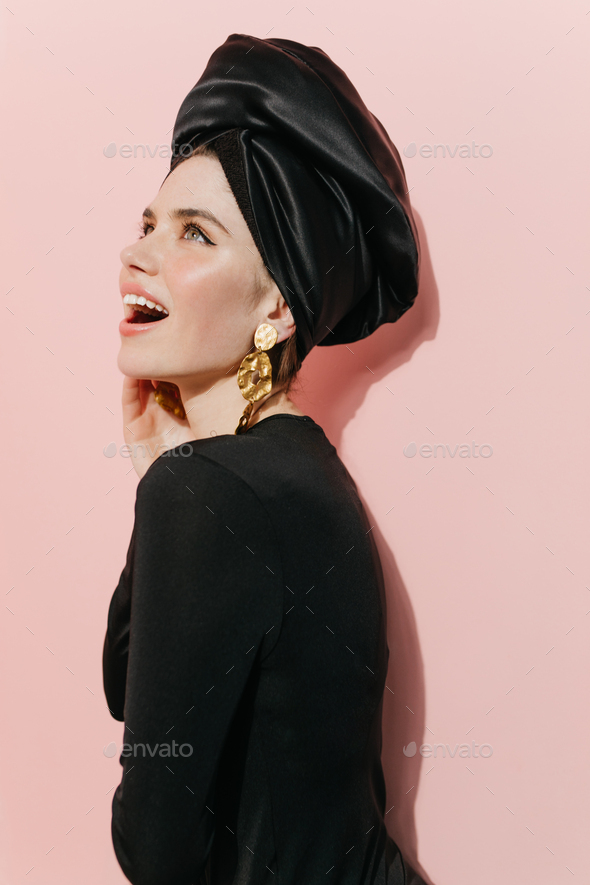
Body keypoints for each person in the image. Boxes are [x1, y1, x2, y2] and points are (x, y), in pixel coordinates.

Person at [102, 33, 427, 885]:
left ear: (277, 306)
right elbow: (132, 686)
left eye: (195, 234)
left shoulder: (212, 492)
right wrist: (161, 475)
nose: (139, 253)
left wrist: (174, 486)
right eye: (149, 224)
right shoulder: (300, 473)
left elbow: (154, 850)